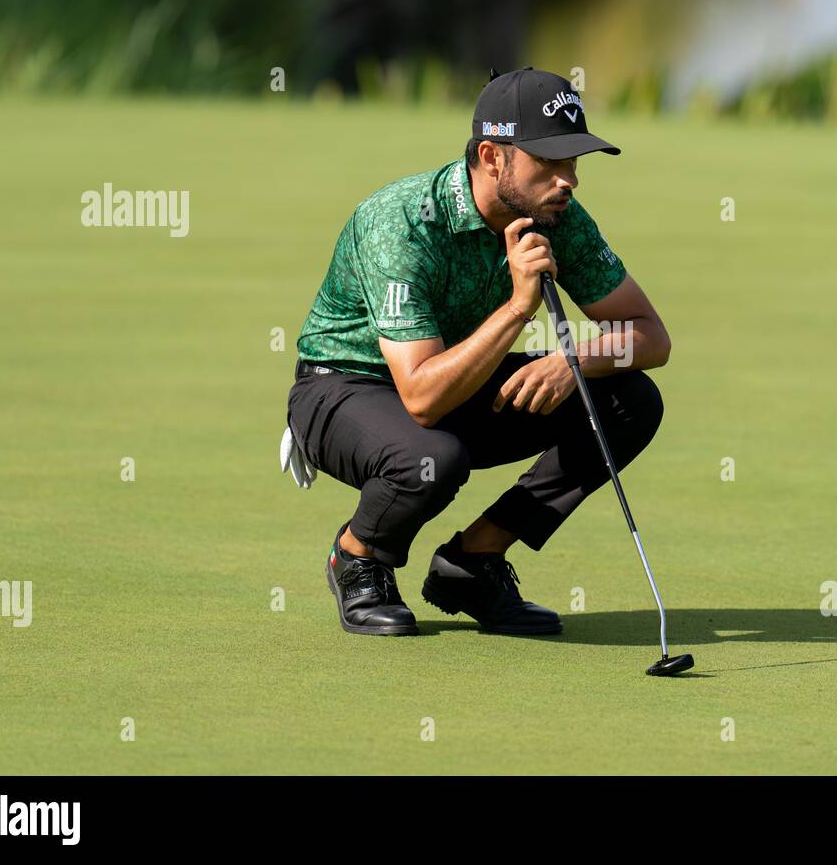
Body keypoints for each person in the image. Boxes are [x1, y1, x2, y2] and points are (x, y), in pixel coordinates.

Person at [283, 67, 670, 638]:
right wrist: (519, 307)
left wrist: (572, 362)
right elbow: (420, 397)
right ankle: (359, 556)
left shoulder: (555, 215)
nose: (569, 181)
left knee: (628, 399)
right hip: (345, 387)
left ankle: (472, 561)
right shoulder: (400, 223)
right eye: (550, 161)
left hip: (456, 379)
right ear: (493, 156)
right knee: (432, 458)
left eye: (574, 162)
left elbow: (650, 336)